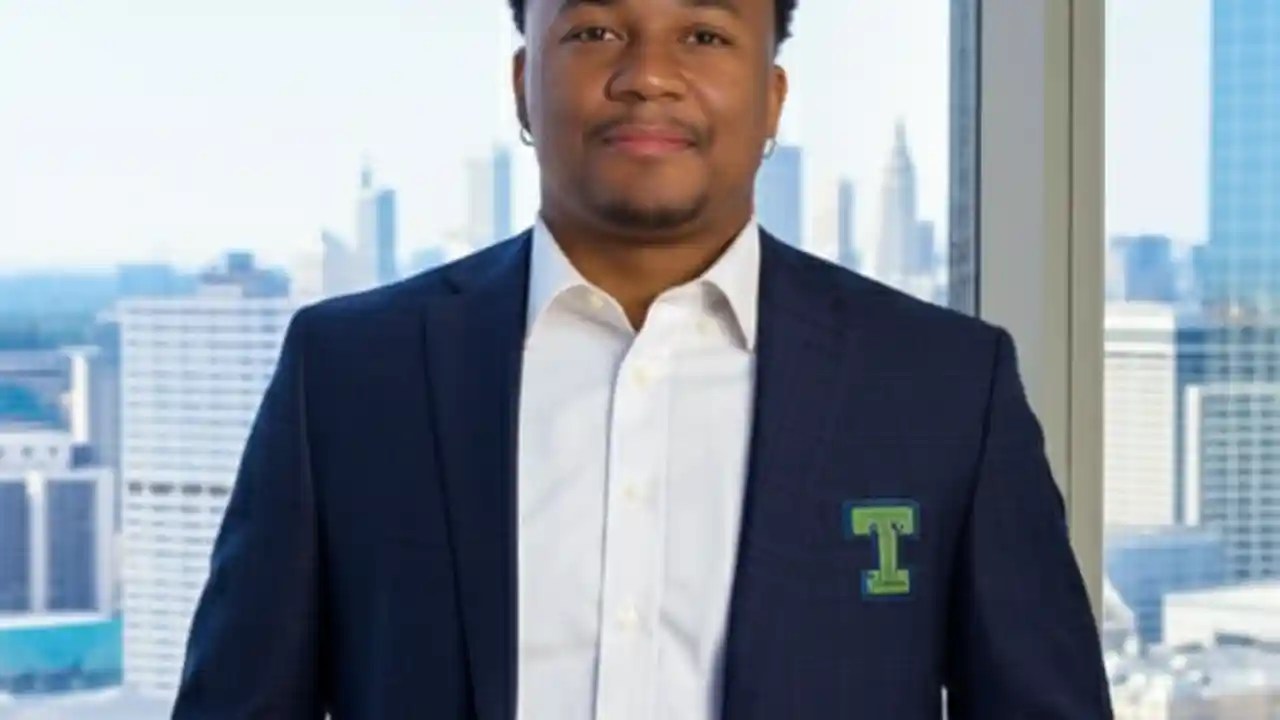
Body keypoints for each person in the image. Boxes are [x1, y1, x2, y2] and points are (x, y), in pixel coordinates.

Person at [171, 0, 1114, 717]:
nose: (648, 76)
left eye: (703, 35)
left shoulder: (944, 385)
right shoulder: (347, 374)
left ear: (772, 94)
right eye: (594, 34)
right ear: (521, 85)